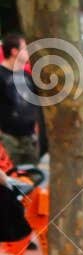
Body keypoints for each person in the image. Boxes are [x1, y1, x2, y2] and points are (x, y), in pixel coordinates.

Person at [0, 34, 39, 165]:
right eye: (25, 48)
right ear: (14, 51)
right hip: (7, 138)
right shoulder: (1, 74)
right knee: (11, 175)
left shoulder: (27, 77)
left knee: (31, 175)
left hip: (29, 138)